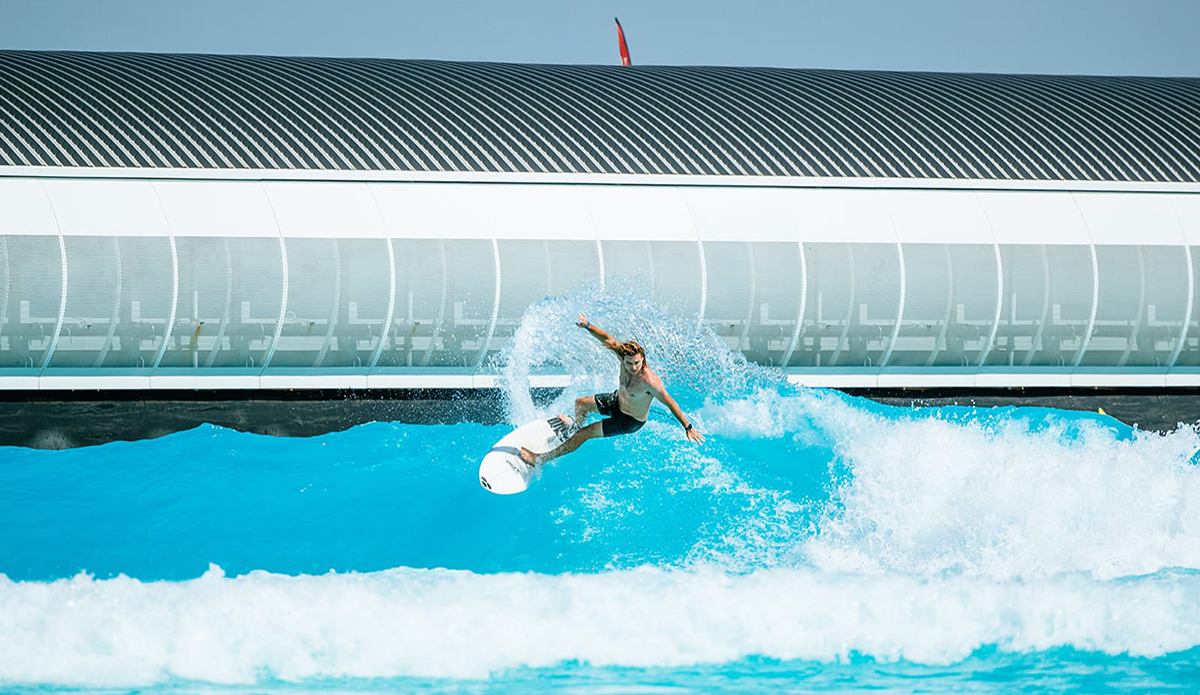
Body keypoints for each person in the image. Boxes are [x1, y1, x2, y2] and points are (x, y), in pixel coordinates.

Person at [519, 313, 705, 467]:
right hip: (618, 401)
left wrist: (688, 427)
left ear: (643, 360)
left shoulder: (650, 381)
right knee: (580, 404)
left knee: (583, 435)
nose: (633, 367)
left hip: (629, 420)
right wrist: (588, 325)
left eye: (637, 363)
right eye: (629, 363)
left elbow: (670, 402)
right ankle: (574, 426)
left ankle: (540, 459)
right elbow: (607, 338)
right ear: (623, 359)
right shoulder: (622, 355)